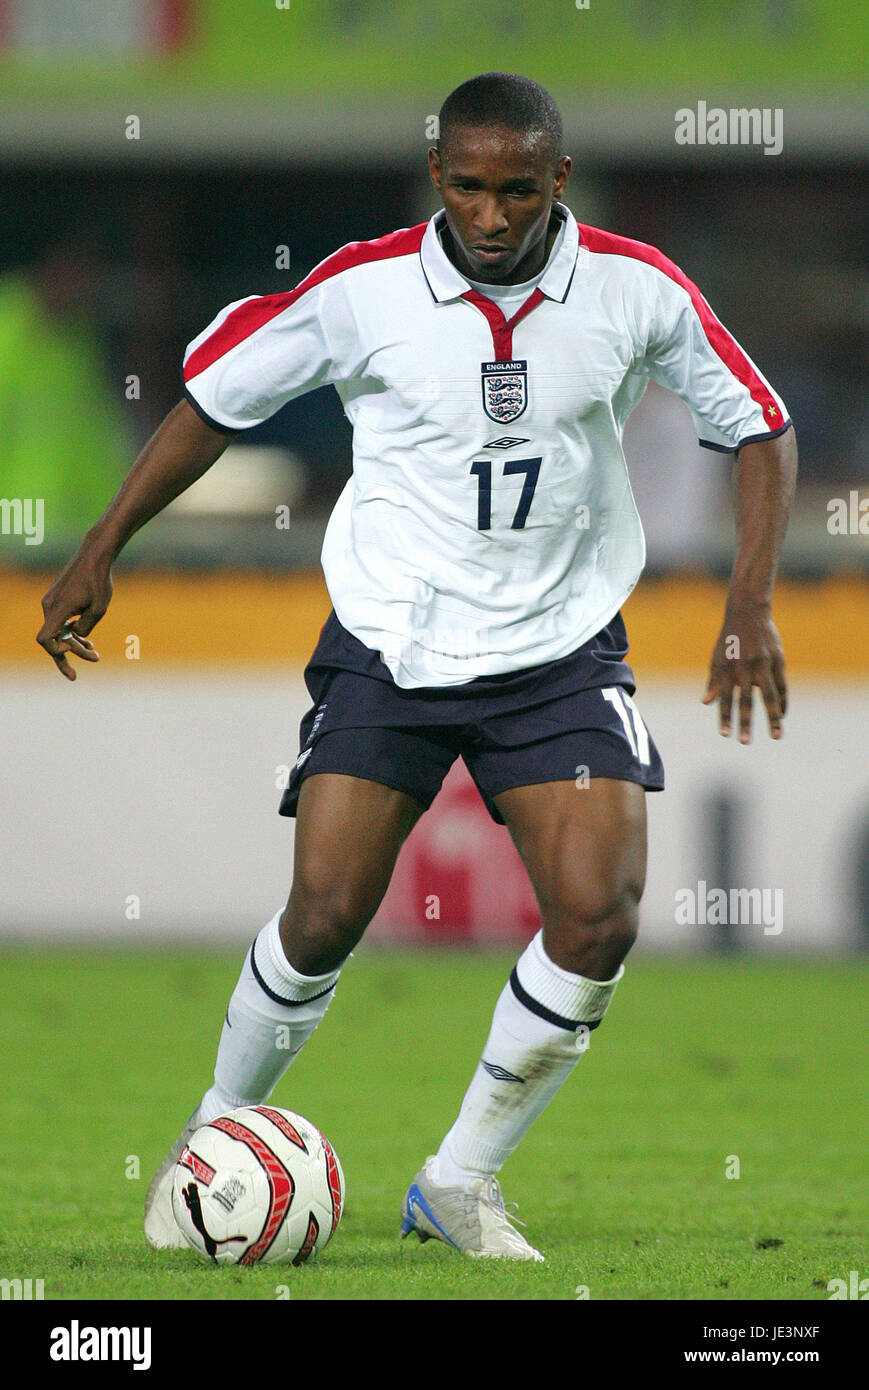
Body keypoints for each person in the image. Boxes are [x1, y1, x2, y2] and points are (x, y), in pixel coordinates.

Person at [37, 72, 796, 1263]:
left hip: (555, 650)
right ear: (437, 177)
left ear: (557, 179)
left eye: (515, 191)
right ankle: (216, 1128)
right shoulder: (362, 290)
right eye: (468, 188)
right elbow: (211, 399)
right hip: (392, 641)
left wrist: (747, 598)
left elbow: (757, 423)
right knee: (324, 913)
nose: (490, 216)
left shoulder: (634, 289)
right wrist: (101, 544)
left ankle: (459, 1179)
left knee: (597, 914)